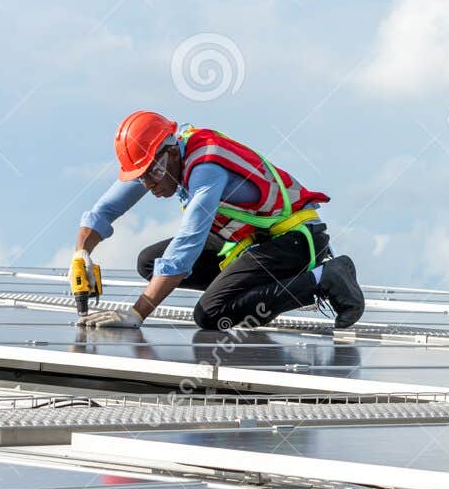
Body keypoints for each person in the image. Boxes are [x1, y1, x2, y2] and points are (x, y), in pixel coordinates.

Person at [71, 110, 365, 331]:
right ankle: (249, 296)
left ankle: (325, 279)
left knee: (212, 314)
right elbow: (105, 210)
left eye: (152, 174)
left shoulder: (207, 168)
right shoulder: (163, 159)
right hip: (248, 239)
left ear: (172, 152)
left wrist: (137, 313)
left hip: (292, 239)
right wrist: (81, 253)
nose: (149, 185)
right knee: (149, 262)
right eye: (141, 177)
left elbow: (188, 243)